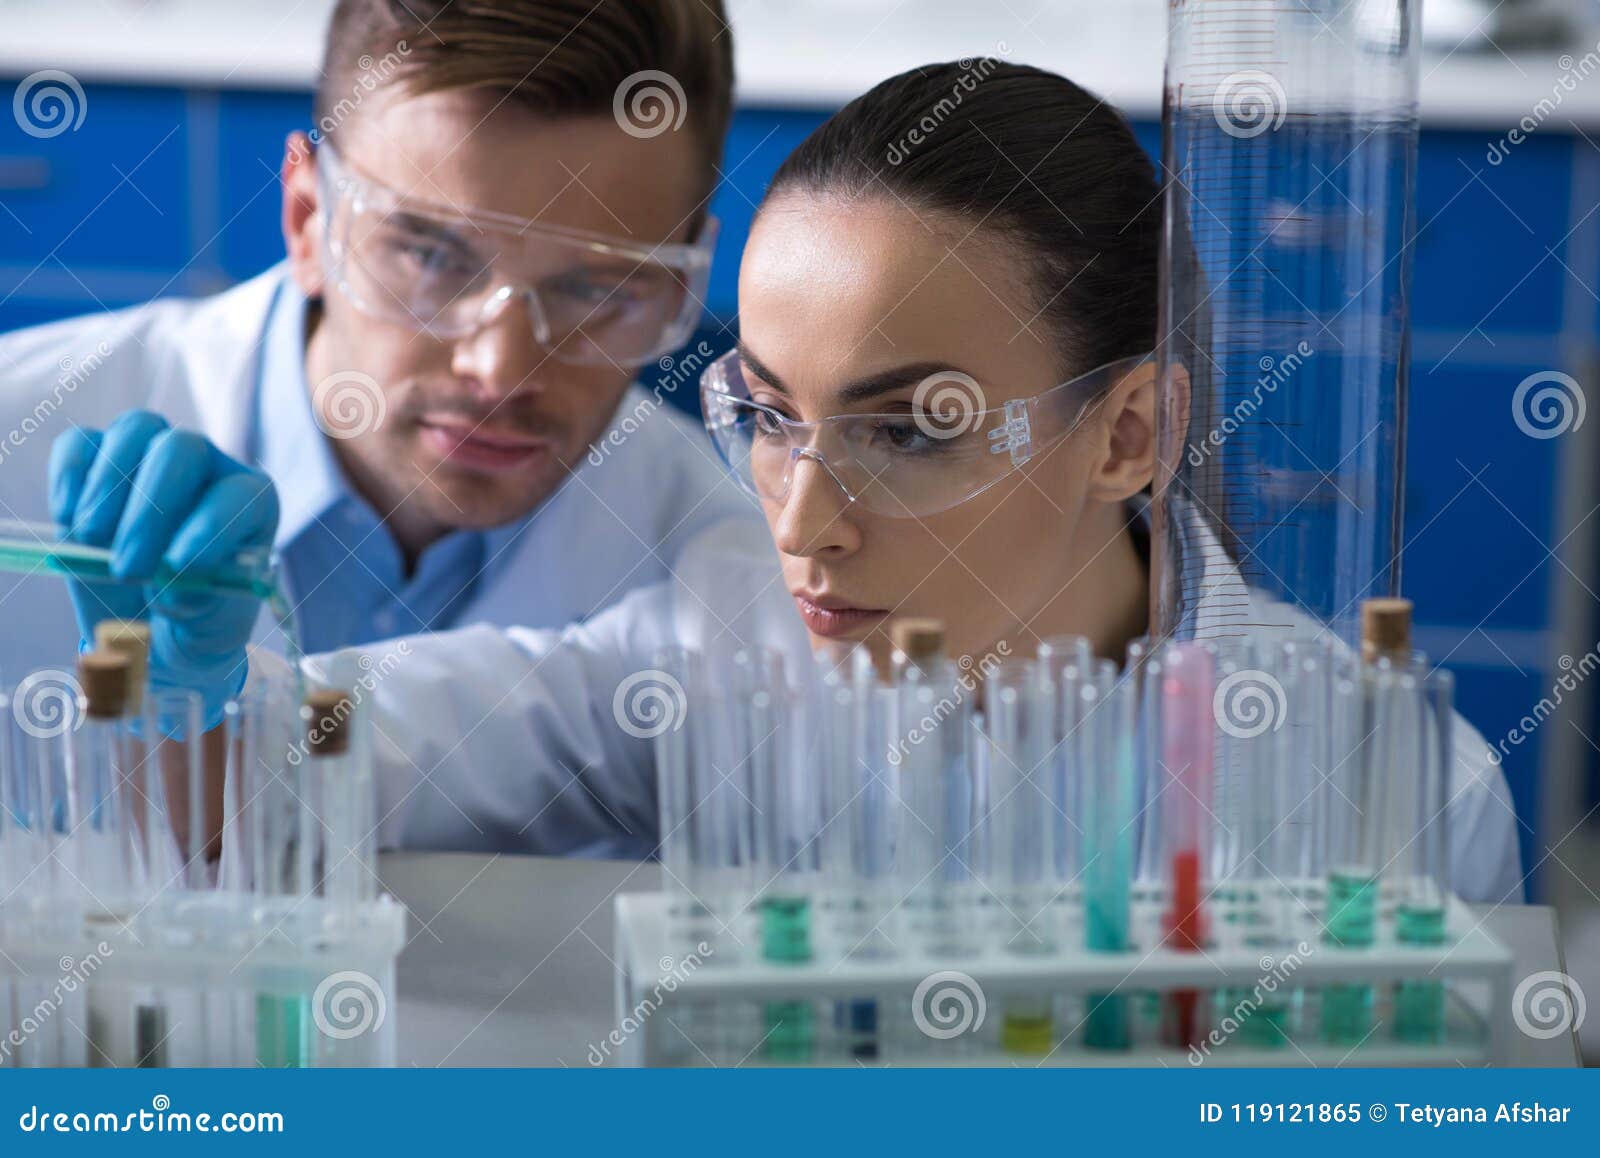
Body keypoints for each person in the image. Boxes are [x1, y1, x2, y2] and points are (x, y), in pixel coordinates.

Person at [50, 62, 1525, 902]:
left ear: (1130, 432)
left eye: (914, 426)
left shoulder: (1380, 782)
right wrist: (223, 682)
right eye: (763, 411)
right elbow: (364, 726)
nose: (802, 523)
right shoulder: (727, 639)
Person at [1, 0, 751, 685]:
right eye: (430, 257)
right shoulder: (18, 436)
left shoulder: (728, 565)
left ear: (684, 287)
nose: (501, 369)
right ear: (306, 220)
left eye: (597, 288)